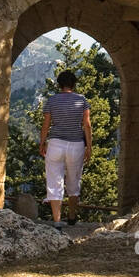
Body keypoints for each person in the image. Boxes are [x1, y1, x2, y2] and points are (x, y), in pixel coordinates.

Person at [38, 70, 92, 227]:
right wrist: (89, 146)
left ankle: (57, 221)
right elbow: (87, 125)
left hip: (55, 144)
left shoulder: (52, 100)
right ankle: (72, 217)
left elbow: (46, 125)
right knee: (74, 181)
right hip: (76, 145)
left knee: (54, 181)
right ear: (74, 84)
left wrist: (42, 142)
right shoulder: (82, 100)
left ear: (59, 84)